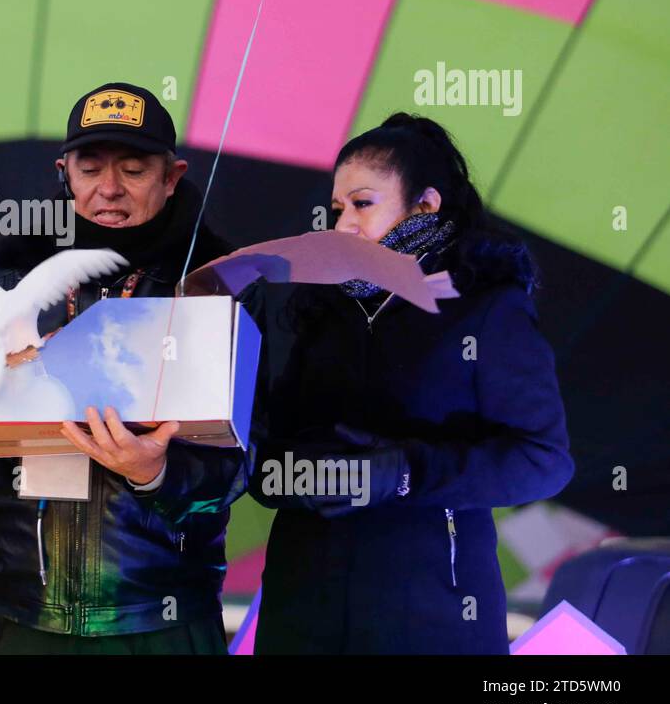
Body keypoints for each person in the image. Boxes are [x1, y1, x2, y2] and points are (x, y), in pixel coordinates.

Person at [0, 82, 246, 654]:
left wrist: (154, 473)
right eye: (90, 167)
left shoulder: (215, 286)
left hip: (156, 624)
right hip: (10, 616)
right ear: (65, 172)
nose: (109, 188)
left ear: (172, 176)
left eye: (133, 169)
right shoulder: (10, 276)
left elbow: (251, 462)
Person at [242, 112, 573, 653]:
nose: (344, 223)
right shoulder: (316, 306)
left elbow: (543, 460)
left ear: (426, 204)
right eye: (337, 209)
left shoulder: (488, 309)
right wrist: (290, 473)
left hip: (433, 619)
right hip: (302, 615)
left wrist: (403, 471)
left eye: (363, 203)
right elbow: (267, 455)